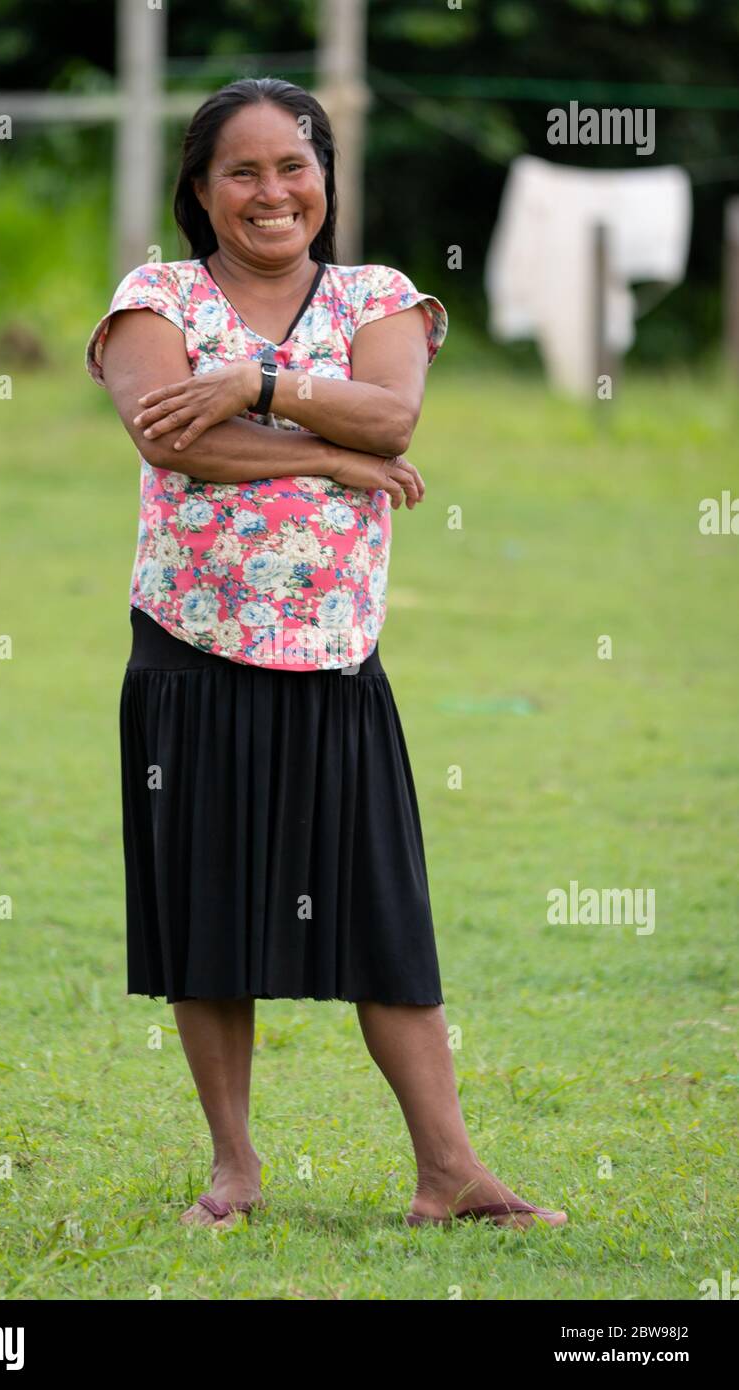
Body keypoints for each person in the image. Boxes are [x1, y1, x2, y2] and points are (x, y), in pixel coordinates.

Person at [85, 77, 567, 1233]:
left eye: (292, 166)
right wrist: (330, 454)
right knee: (209, 922)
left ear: (324, 180)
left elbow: (390, 416)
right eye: (240, 170)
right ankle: (234, 1169)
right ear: (198, 190)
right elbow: (167, 438)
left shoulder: (376, 295)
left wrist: (252, 386)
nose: (270, 192)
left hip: (337, 660)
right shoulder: (154, 295)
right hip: (190, 656)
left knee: (384, 920)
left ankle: (448, 1171)